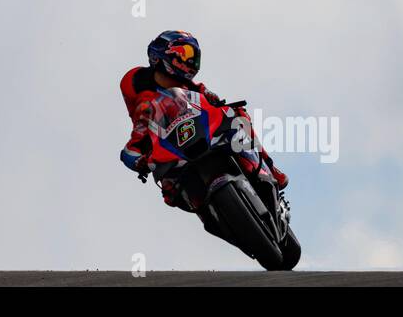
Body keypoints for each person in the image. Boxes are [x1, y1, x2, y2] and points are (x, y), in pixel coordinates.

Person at [119, 29, 288, 210]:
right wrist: (139, 161)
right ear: (161, 54)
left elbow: (202, 92)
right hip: (164, 144)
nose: (190, 61)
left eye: (194, 56)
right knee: (170, 190)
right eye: (184, 54)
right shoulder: (143, 97)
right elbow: (130, 150)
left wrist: (212, 98)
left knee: (237, 113)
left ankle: (268, 167)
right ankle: (207, 209)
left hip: (194, 129)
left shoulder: (187, 87)